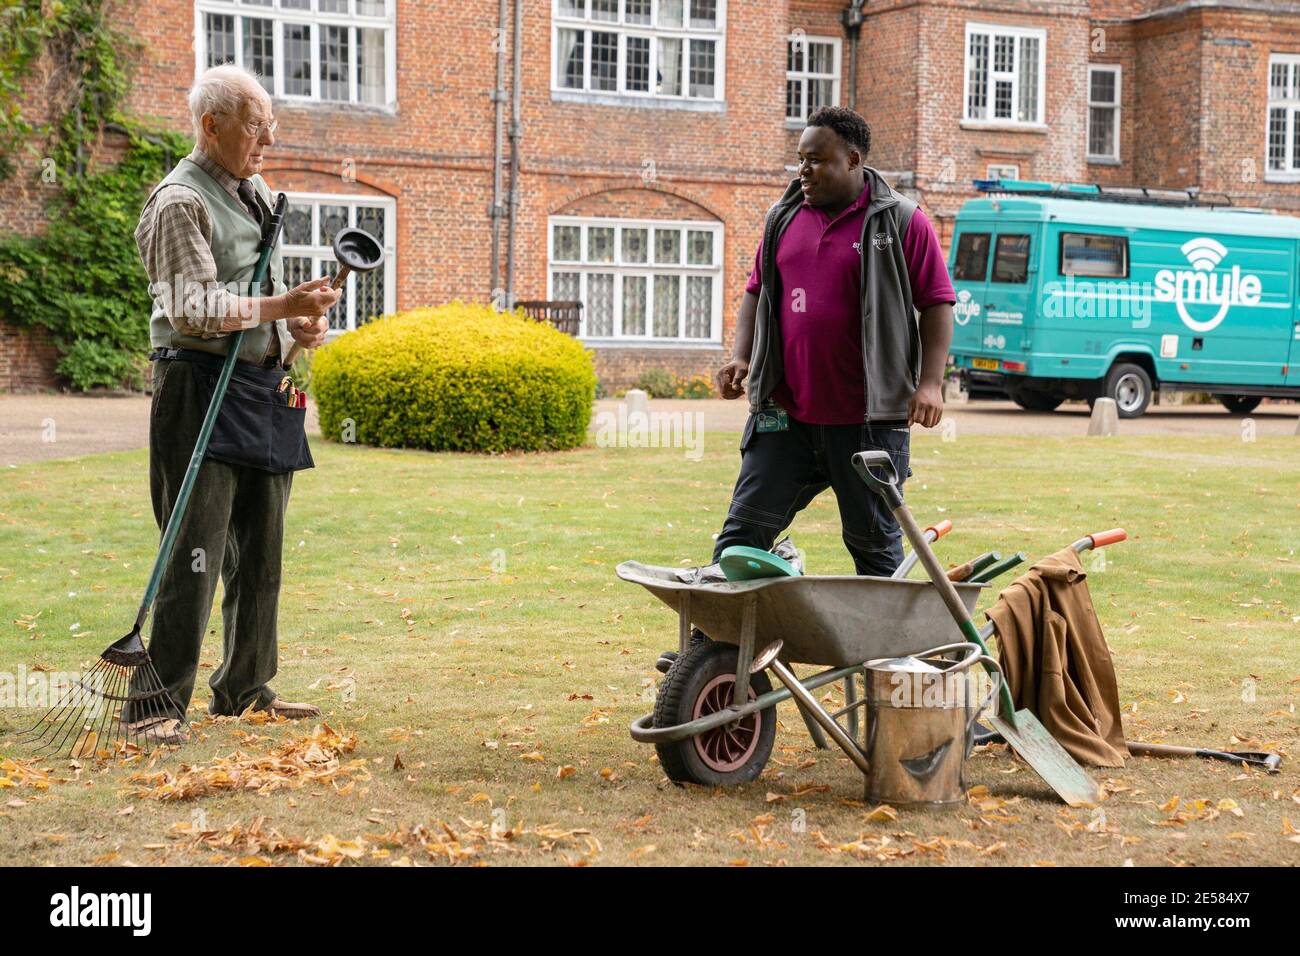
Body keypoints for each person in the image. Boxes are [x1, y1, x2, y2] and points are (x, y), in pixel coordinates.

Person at [659, 106, 955, 671]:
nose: (804, 171)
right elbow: (755, 292)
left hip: (868, 422)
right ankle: (716, 653)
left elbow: (937, 302)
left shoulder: (901, 223)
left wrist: (931, 384)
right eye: (800, 160)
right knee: (742, 536)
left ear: (853, 160)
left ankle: (901, 669)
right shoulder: (782, 217)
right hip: (785, 417)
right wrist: (742, 356)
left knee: (873, 549)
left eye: (816, 160)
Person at [129, 64, 340, 741]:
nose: (268, 141)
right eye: (257, 127)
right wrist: (280, 305)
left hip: (261, 387)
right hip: (197, 386)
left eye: (271, 127)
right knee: (194, 552)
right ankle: (155, 708)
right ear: (211, 125)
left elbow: (253, 293)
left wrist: (295, 326)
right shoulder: (177, 203)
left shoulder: (255, 191)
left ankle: (247, 688)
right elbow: (192, 309)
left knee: (262, 553)